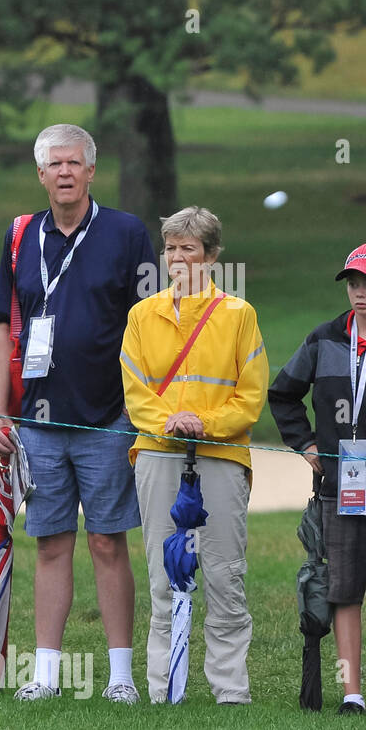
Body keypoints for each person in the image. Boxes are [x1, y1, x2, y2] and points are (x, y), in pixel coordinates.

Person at [0, 123, 157, 703]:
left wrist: (144, 410)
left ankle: (119, 677)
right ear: (40, 175)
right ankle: (46, 673)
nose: (64, 173)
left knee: (109, 542)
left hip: (108, 417)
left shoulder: (126, 233)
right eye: (53, 164)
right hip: (36, 420)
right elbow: (3, 331)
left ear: (91, 171)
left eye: (74, 163)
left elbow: (152, 326)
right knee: (51, 542)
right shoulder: (19, 237)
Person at [120, 206, 267, 704]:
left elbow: (250, 396)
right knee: (164, 576)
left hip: (223, 456)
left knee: (225, 574)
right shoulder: (142, 315)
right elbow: (135, 391)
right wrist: (168, 422)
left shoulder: (238, 315)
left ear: (211, 256)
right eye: (171, 247)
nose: (178, 257)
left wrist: (206, 423)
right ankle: (166, 690)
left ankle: (230, 690)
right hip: (159, 455)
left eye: (190, 248)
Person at [269, 242, 366, 715]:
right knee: (343, 589)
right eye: (354, 284)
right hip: (340, 487)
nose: (360, 293)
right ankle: (352, 693)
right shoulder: (324, 340)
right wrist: (304, 443)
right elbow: (283, 393)